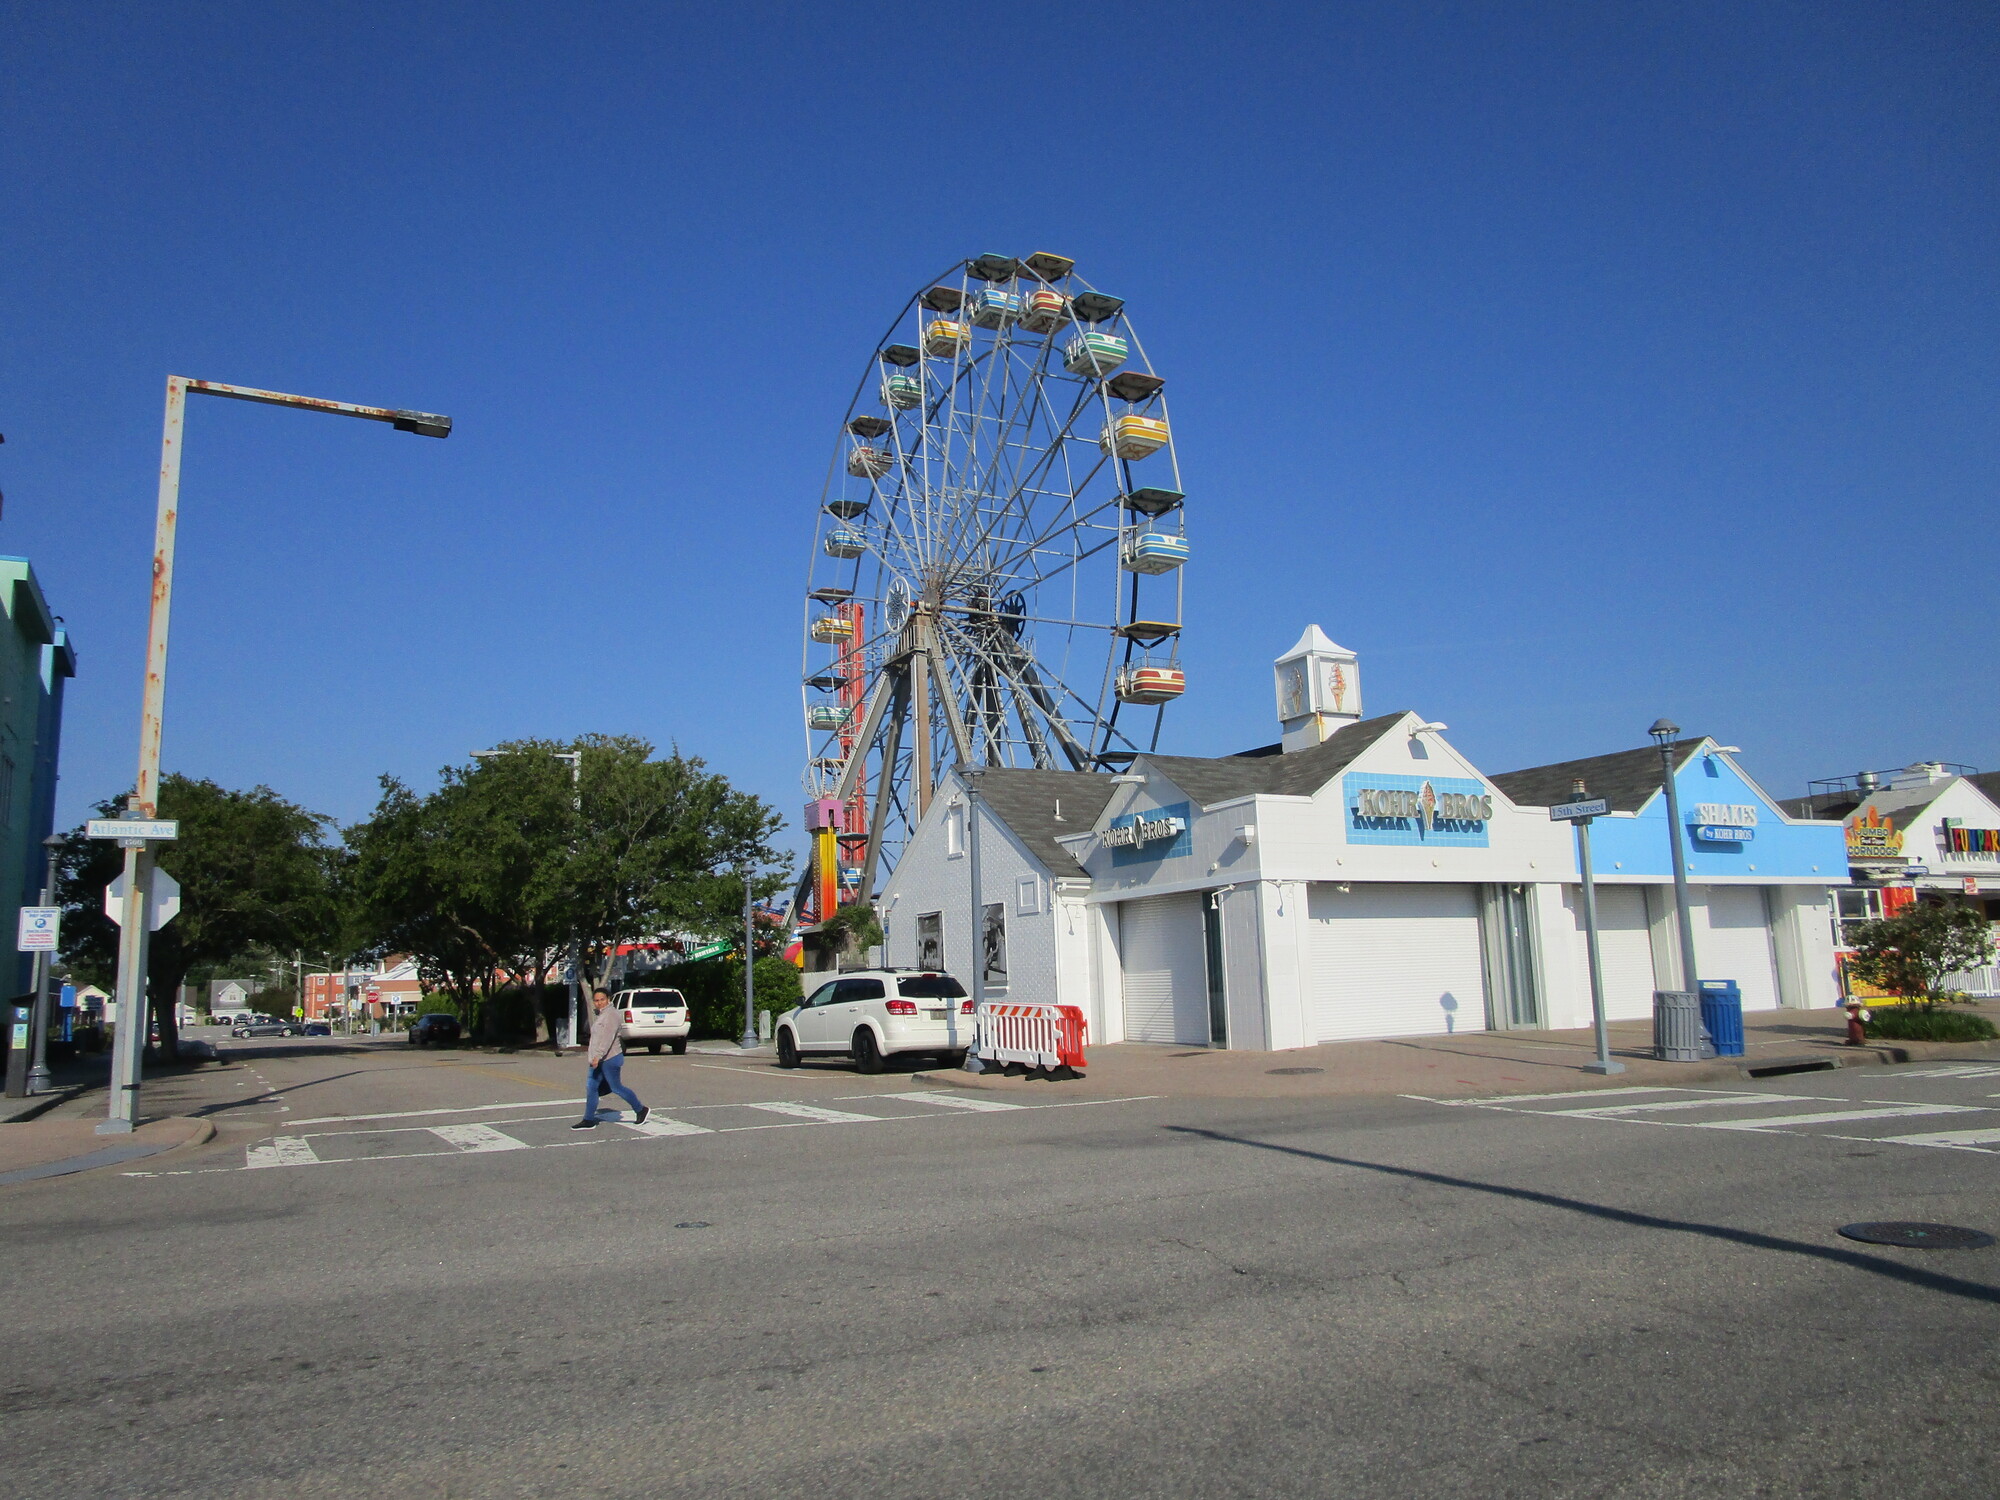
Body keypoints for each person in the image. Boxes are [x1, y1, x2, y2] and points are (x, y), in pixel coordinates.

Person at [572, 987, 650, 1130]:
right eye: (596, 1000)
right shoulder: (601, 1015)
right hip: (599, 1059)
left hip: (610, 1058)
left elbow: (607, 1039)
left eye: (602, 999)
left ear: (608, 999)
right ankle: (588, 1119)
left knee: (616, 1087)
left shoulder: (612, 1015)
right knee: (591, 1087)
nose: (599, 1002)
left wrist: (598, 1056)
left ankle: (641, 1109)